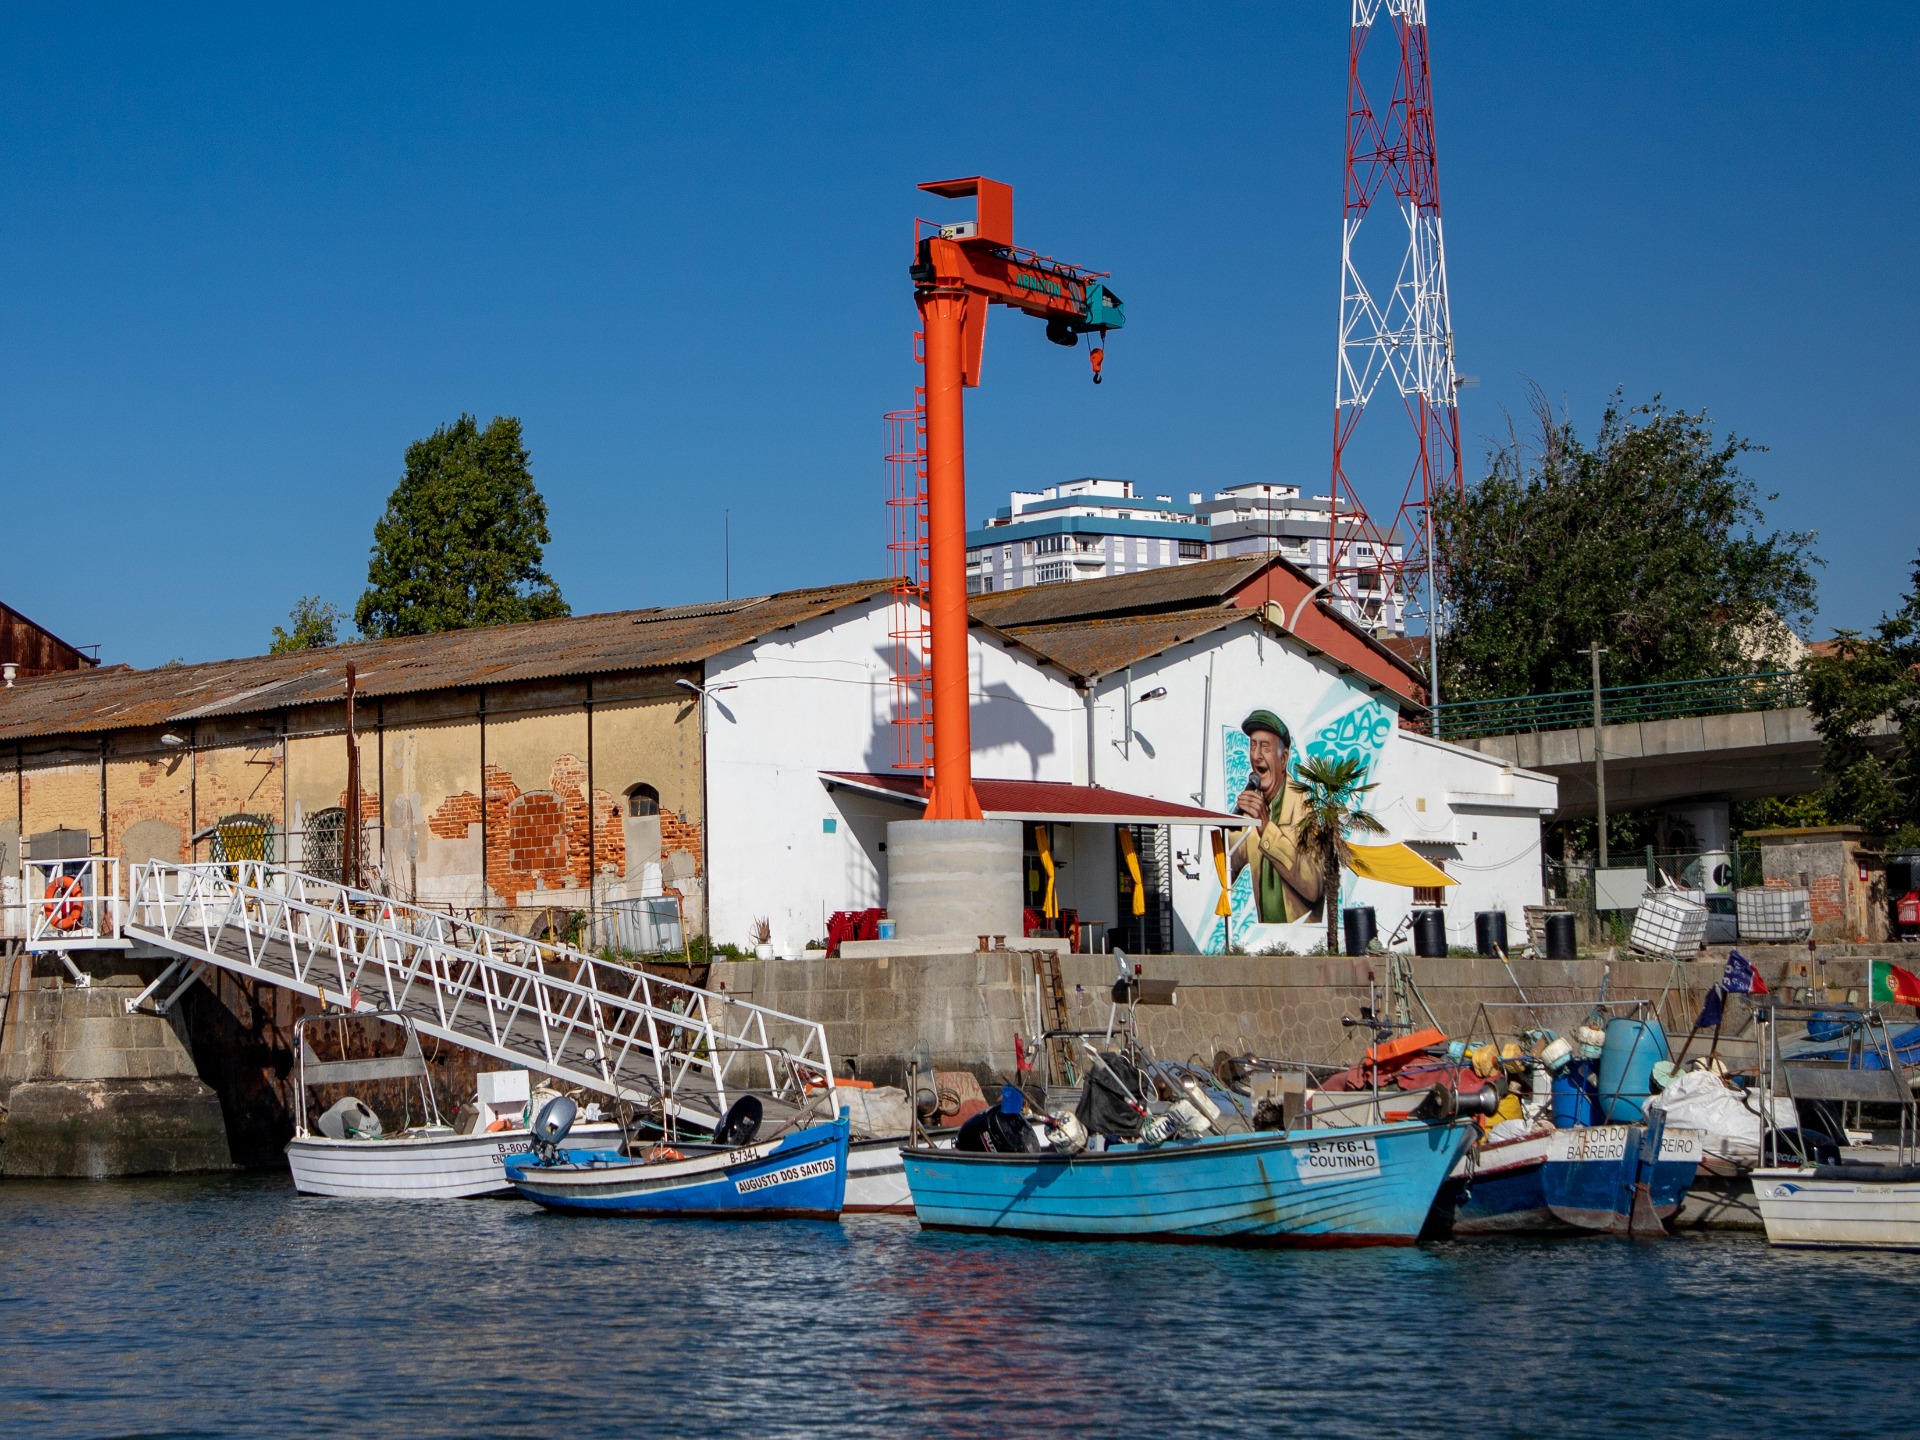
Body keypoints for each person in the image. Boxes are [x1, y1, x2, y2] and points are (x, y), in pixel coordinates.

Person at [1228, 709, 1325, 924]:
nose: (1256, 755)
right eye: (1253, 745)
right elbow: (1228, 870)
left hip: (1302, 936)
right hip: (1263, 936)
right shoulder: (1253, 807)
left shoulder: (1305, 804)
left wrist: (1267, 828)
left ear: (1283, 758)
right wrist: (1234, 823)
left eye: (1265, 746)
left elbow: (1314, 886)